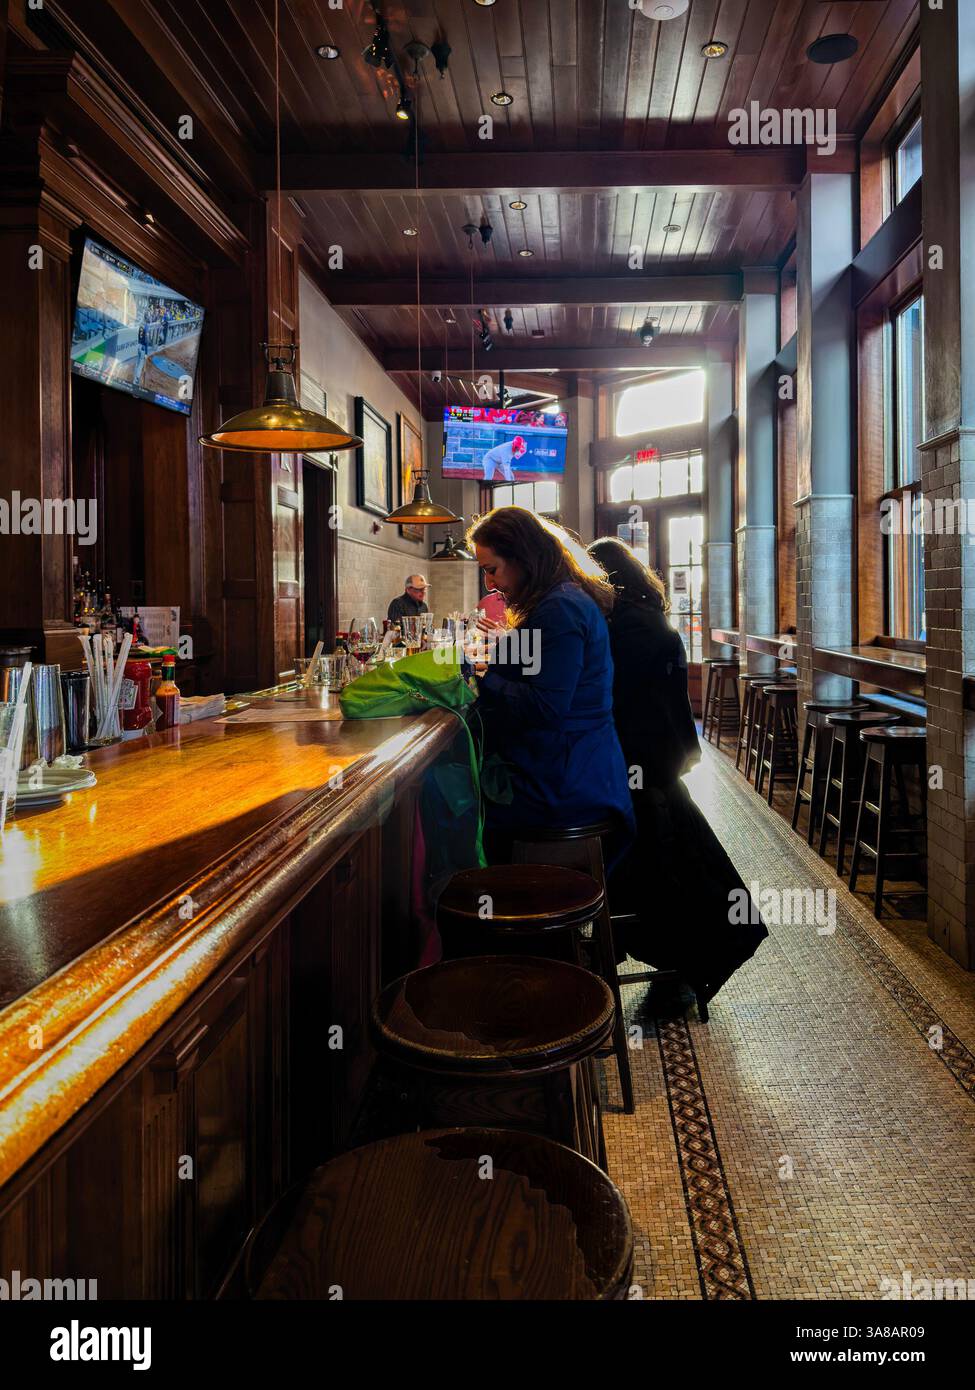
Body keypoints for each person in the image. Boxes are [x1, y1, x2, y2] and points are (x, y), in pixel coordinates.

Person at [588, 536, 767, 1006]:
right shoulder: (648, 621)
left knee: (654, 860)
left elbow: (607, 702)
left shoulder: (620, 630)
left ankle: (647, 943)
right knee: (675, 853)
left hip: (636, 761)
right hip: (660, 758)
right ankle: (674, 948)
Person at [467, 507, 634, 856]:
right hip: (581, 769)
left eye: (491, 570)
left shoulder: (560, 608)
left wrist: (482, 678)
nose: (490, 584)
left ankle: (486, 899)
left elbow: (547, 707)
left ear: (523, 558)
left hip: (564, 785)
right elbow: (545, 669)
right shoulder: (562, 598)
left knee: (452, 798)